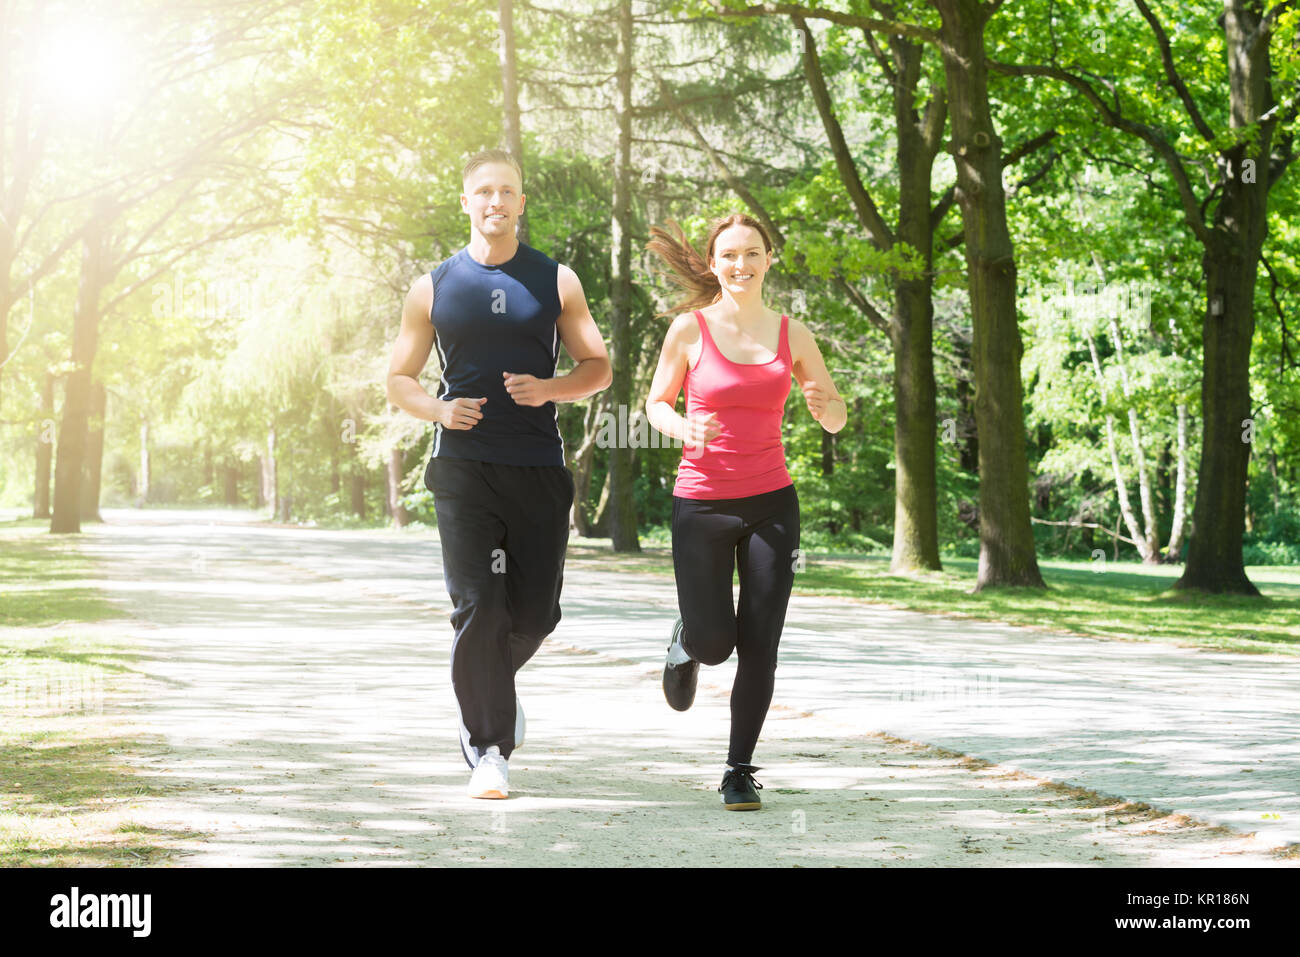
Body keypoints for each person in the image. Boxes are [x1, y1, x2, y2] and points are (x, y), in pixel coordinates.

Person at [387, 149, 611, 800]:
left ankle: (485, 682)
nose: (495, 201)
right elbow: (399, 378)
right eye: (483, 191)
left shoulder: (555, 280)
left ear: (521, 203)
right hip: (462, 466)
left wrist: (550, 387)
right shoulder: (433, 286)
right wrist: (437, 407)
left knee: (535, 615)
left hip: (538, 465)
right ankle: (488, 745)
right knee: (480, 605)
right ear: (466, 202)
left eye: (506, 191)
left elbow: (597, 365)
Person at [644, 213, 847, 810]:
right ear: (714, 263)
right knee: (715, 643)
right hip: (701, 502)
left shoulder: (793, 333)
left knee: (761, 643)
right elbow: (655, 404)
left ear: (768, 259)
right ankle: (688, 642)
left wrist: (823, 405)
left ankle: (739, 769)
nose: (741, 264)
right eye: (729, 255)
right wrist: (683, 426)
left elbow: (835, 413)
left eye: (752, 253)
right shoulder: (689, 330)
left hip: (771, 504)